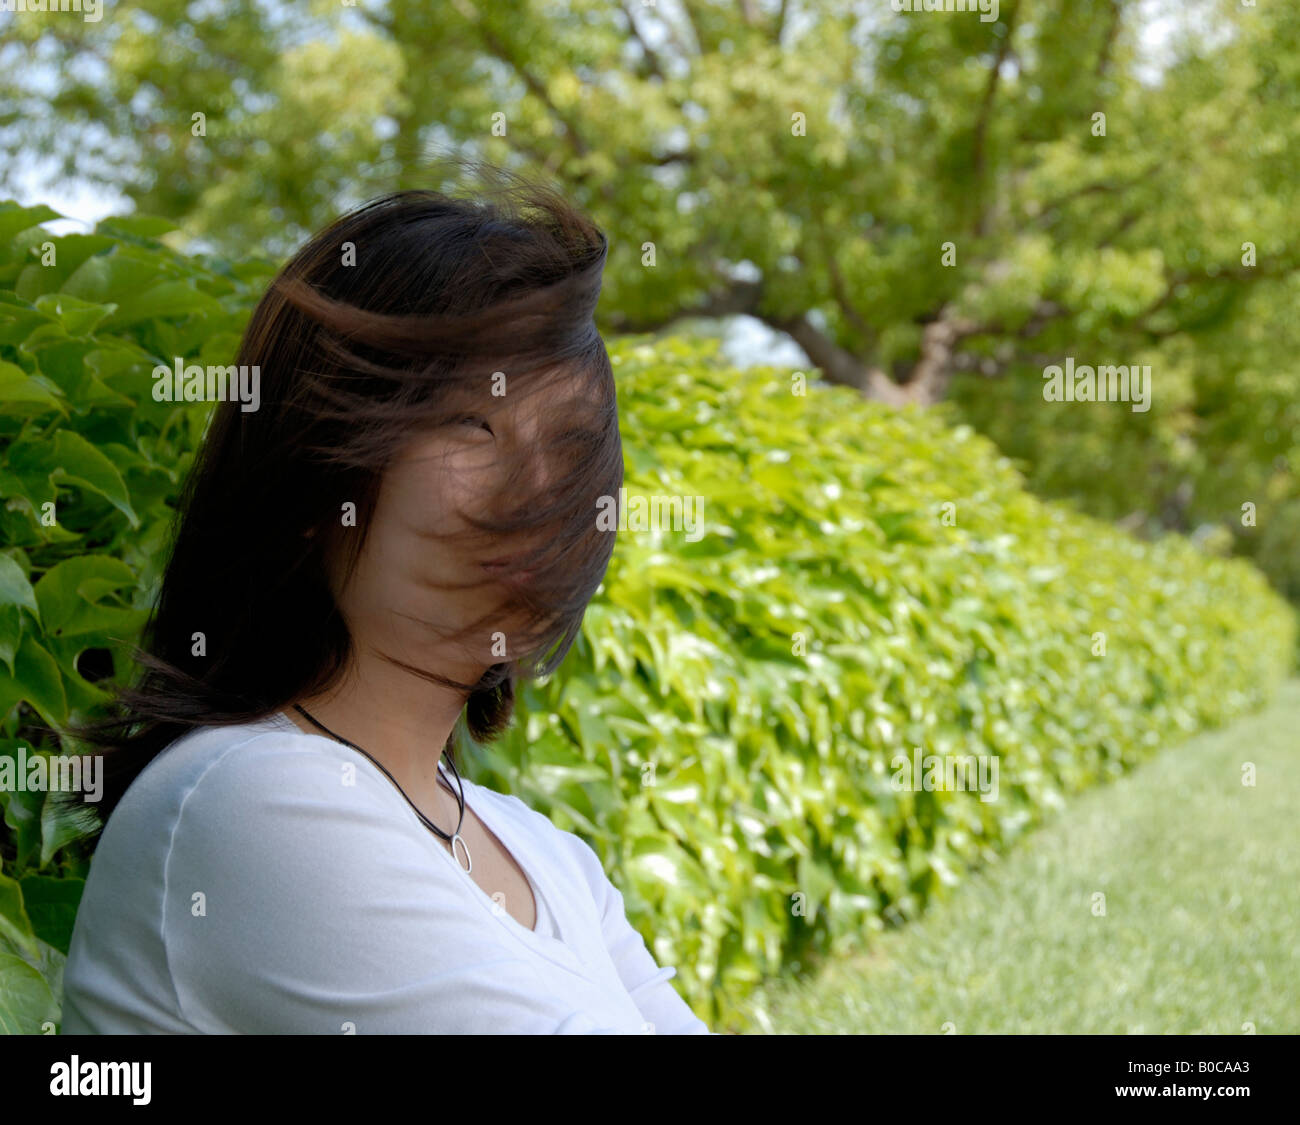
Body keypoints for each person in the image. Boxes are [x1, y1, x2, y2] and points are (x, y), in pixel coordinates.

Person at [55, 160, 713, 1035]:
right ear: (310, 471)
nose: (542, 493)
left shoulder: (551, 860)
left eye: (572, 448)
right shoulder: (248, 801)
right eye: (473, 422)